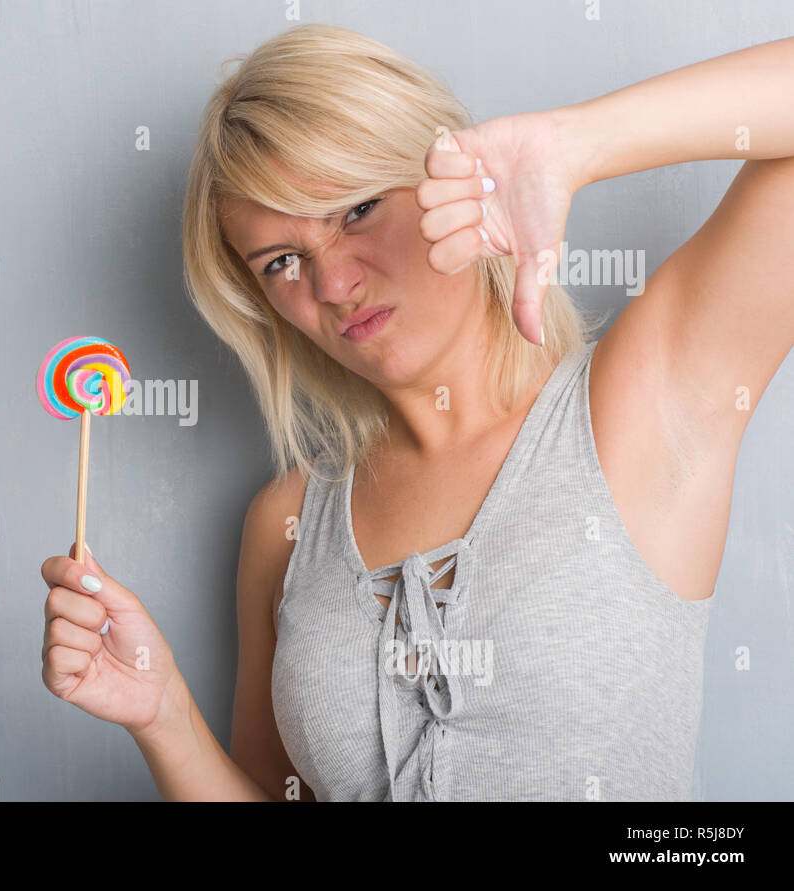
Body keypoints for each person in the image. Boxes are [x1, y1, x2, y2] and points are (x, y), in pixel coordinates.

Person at [40, 23, 794, 800]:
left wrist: (571, 145)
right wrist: (163, 712)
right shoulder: (287, 522)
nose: (332, 283)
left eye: (356, 208)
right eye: (283, 262)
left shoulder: (640, 405)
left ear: (446, 176)